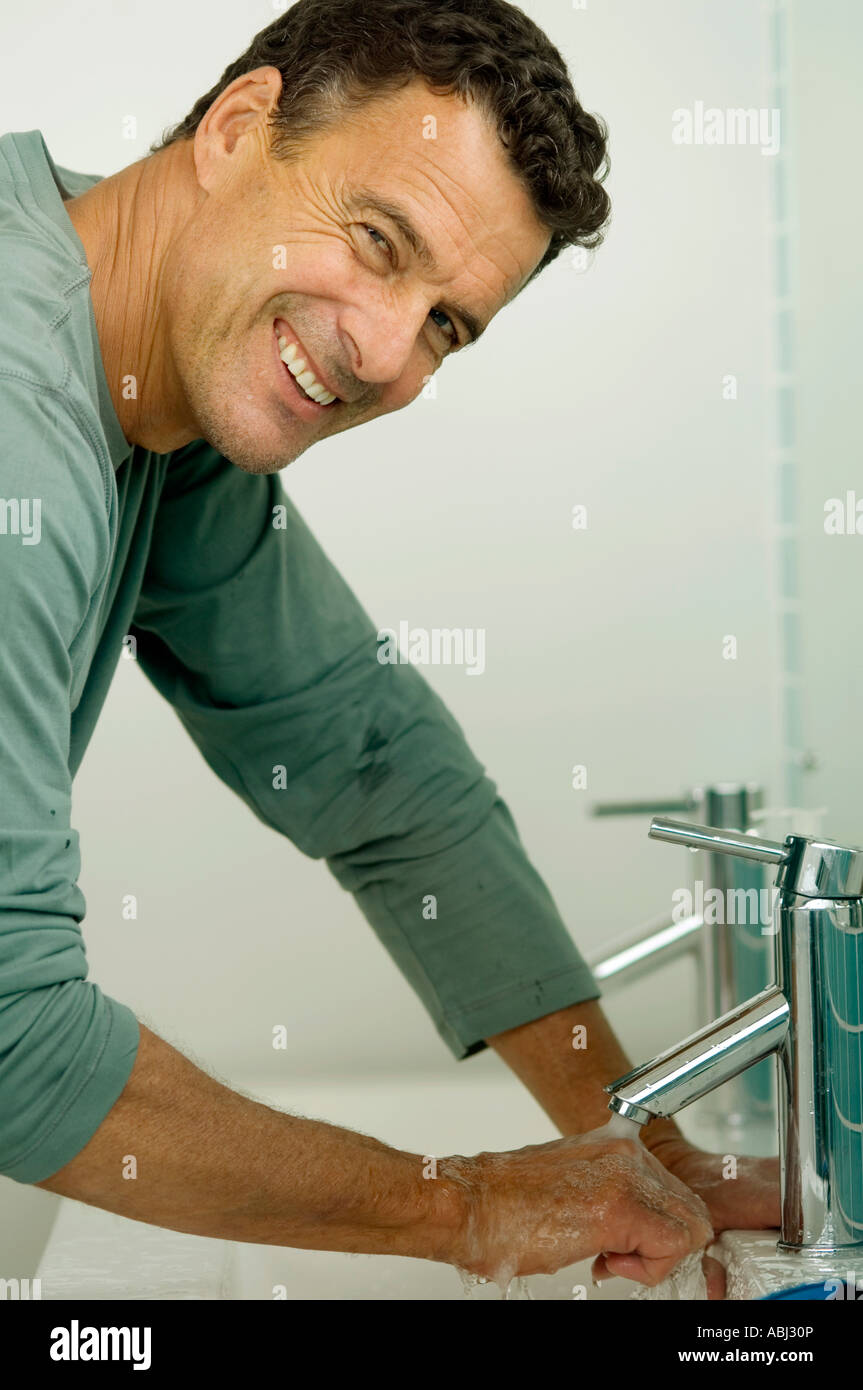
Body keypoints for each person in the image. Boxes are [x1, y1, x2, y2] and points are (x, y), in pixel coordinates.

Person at [0, 0, 777, 1293]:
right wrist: (464, 1206)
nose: (376, 347)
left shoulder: (153, 369)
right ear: (238, 126)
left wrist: (637, 1136)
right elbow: (15, 1038)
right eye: (376, 238)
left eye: (445, 324)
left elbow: (370, 762)